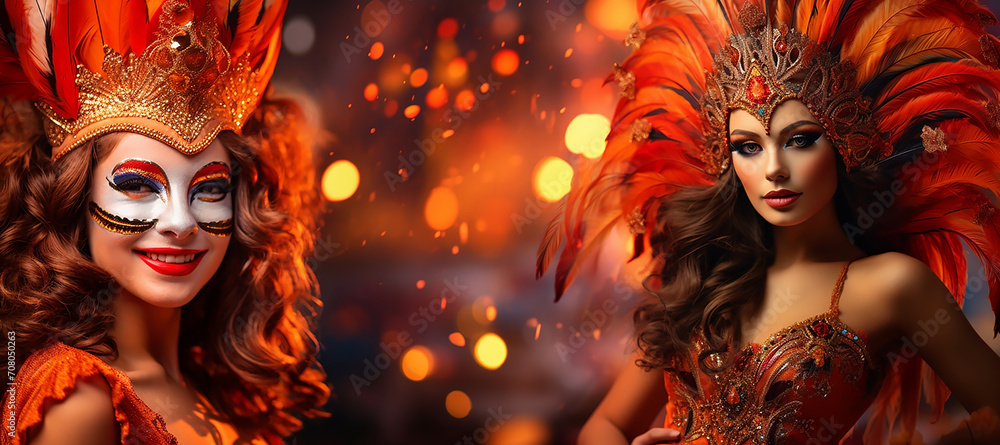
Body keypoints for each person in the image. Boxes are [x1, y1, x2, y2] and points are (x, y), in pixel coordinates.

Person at [537, 0, 1000, 443]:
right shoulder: (706, 275)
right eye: (749, 147)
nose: (774, 168)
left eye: (799, 140)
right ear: (728, 158)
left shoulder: (891, 284)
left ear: (843, 146)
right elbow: (605, 425)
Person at [0, 1, 328, 443]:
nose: (180, 222)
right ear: (75, 197)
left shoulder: (216, 382)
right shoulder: (78, 400)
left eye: (210, 189)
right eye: (137, 185)